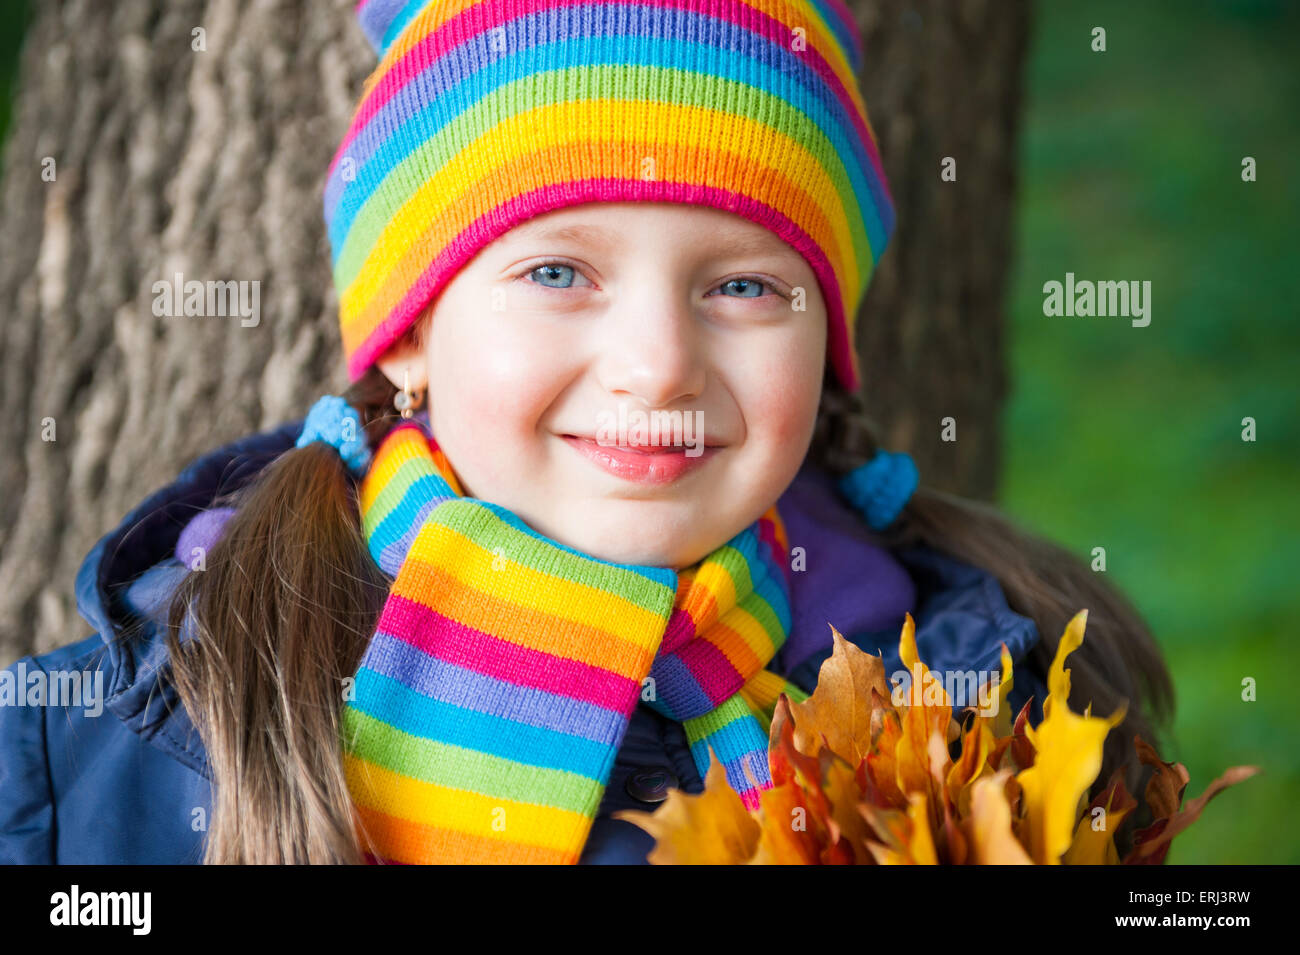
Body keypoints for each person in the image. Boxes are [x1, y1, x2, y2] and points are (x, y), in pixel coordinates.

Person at [0, 0, 1172, 864]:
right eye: (558, 269)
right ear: (406, 334)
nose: (657, 361)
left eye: (746, 287)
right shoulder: (109, 758)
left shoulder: (998, 703)